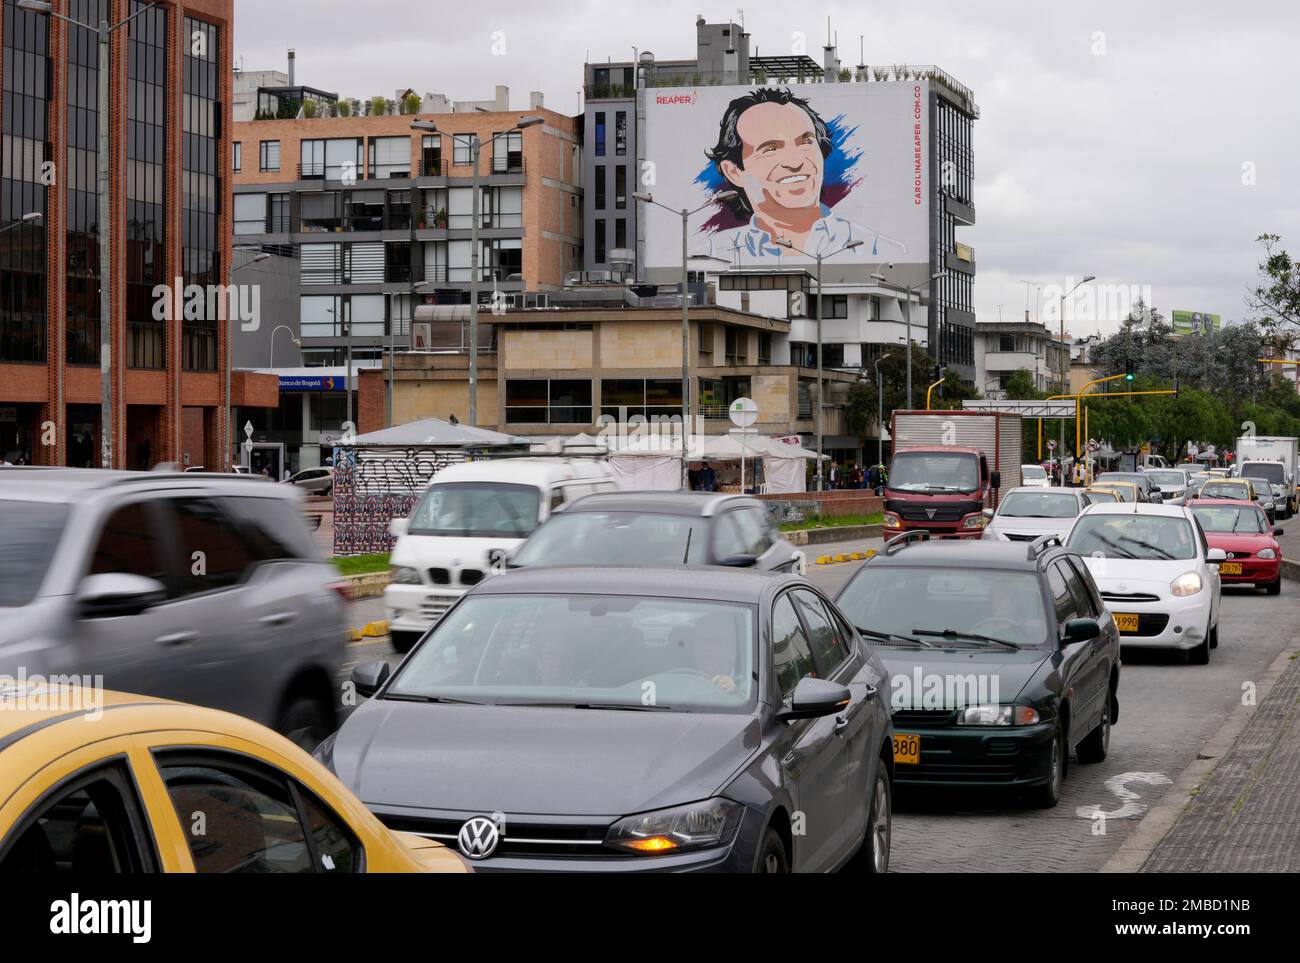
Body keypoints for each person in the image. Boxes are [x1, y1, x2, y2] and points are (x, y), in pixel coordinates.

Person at [701, 87, 908, 261]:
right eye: (770, 148)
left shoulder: (882, 252)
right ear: (734, 171)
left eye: (806, 141)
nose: (795, 161)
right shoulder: (710, 255)